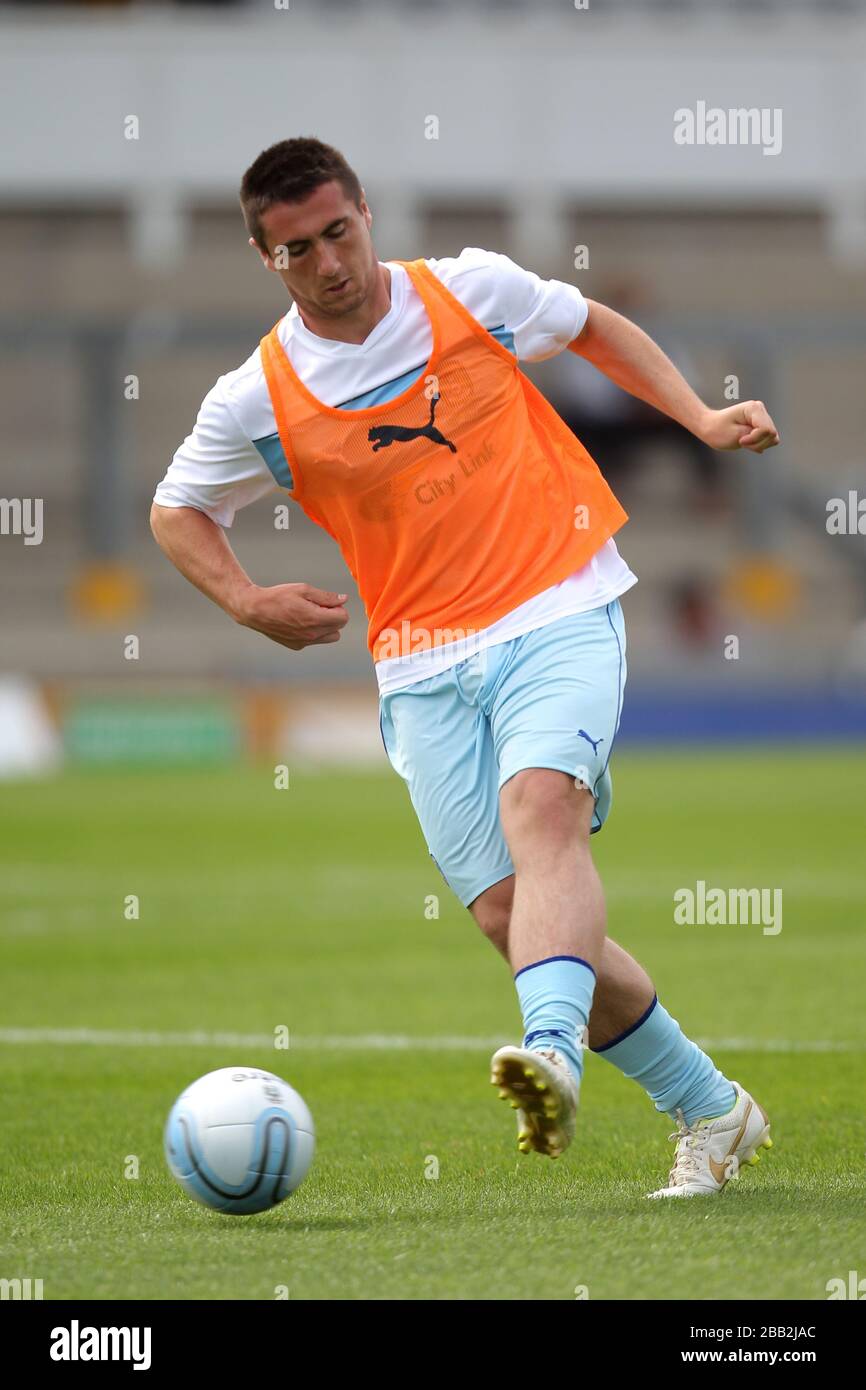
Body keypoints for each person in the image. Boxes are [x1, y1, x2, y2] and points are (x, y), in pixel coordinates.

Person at [151, 137, 780, 1197]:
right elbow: (177, 513)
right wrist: (250, 601)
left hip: (556, 600)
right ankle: (711, 1110)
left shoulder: (470, 290)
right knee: (507, 914)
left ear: (364, 212)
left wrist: (700, 417)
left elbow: (592, 328)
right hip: (419, 660)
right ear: (269, 259)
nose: (328, 262)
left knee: (544, 809)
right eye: (297, 249)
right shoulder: (252, 396)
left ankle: (550, 1053)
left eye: (338, 232)